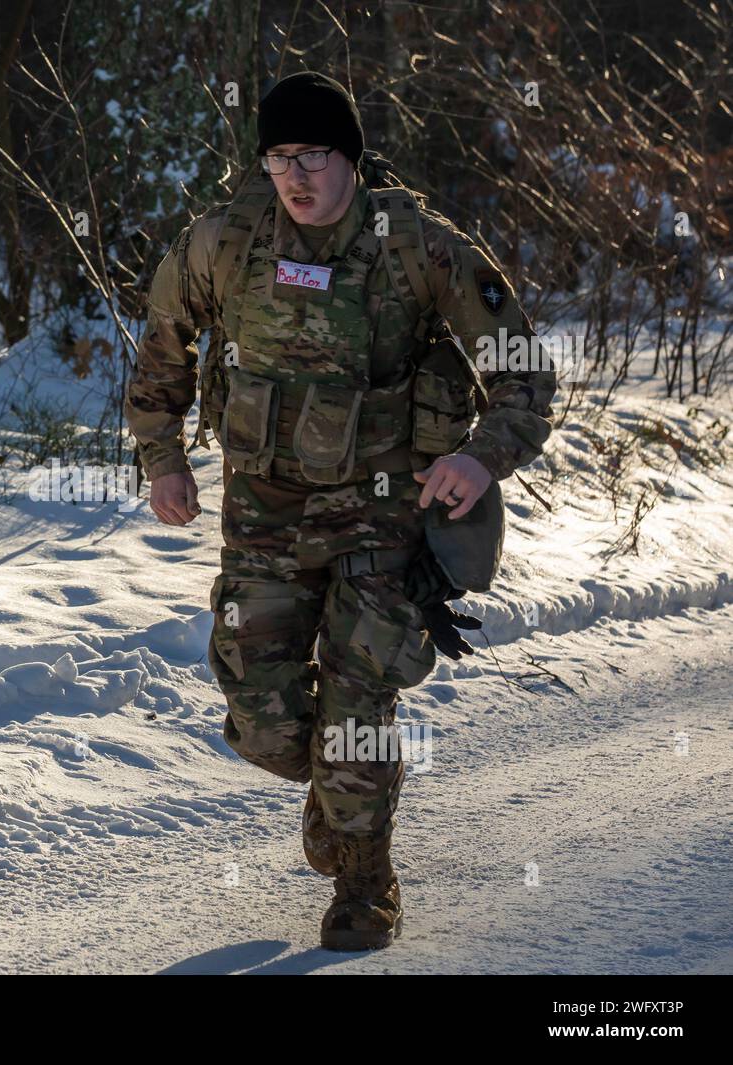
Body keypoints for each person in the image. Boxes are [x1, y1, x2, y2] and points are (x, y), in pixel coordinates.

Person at [123, 71, 557, 950]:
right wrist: (162, 457)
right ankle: (331, 791)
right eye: (280, 155)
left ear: (350, 158)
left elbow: (523, 368)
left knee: (358, 706)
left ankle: (366, 880)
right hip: (263, 520)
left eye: (314, 154)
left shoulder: (417, 246)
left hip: (382, 516)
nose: (296, 174)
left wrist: (478, 455)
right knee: (265, 724)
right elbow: (163, 338)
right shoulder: (227, 240)